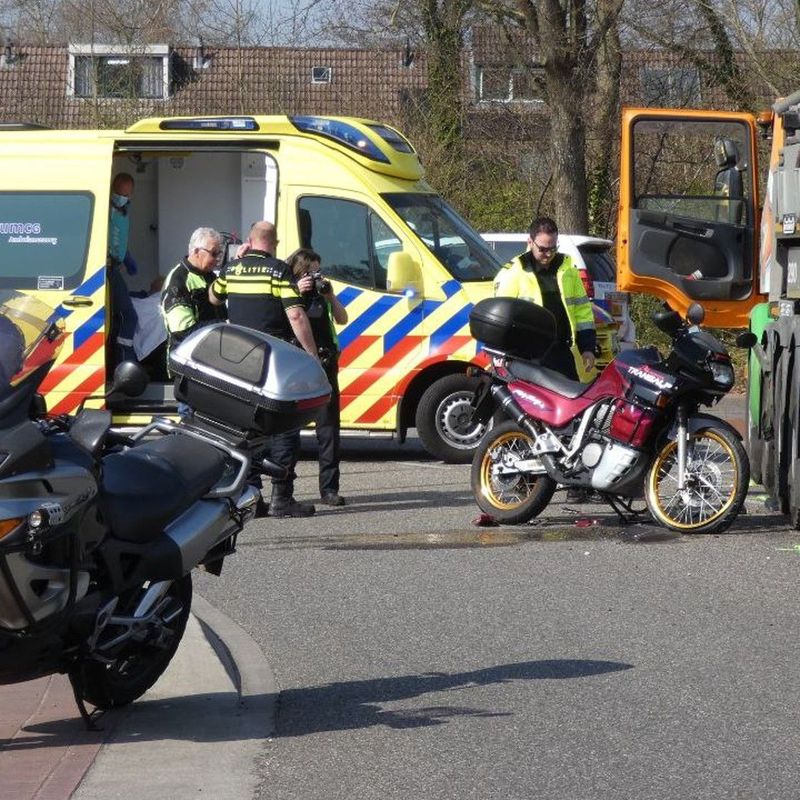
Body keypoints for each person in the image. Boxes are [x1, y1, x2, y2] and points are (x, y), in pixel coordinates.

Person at [209, 221, 319, 518]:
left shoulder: (233, 268)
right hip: (274, 359)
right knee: (284, 427)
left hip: (240, 360)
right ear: (274, 242)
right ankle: (282, 497)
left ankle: (252, 496)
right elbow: (295, 314)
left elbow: (214, 296)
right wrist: (311, 355)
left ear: (249, 240)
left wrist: (235, 260)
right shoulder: (278, 270)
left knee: (249, 427)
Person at [494, 216, 596, 382]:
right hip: (526, 356)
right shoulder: (513, 273)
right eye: (542, 249)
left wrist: (588, 348)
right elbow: (502, 318)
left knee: (571, 399)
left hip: (560, 351)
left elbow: (582, 311)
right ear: (530, 242)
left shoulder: (568, 269)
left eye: (553, 248)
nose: (548, 254)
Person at [287, 248, 349, 507]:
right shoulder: (288, 293)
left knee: (329, 430)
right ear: (300, 272)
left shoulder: (323, 296)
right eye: (311, 271)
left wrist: (331, 296)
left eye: (318, 271)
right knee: (288, 432)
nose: (316, 277)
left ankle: (329, 489)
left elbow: (342, 318)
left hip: (325, 364)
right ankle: (284, 490)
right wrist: (296, 291)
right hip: (298, 366)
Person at [160, 227, 226, 411]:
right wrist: (224, 328)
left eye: (219, 253)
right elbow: (183, 331)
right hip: (189, 368)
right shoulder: (178, 280)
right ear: (197, 252)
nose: (217, 259)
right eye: (214, 253)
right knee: (191, 425)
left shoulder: (208, 275)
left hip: (210, 364)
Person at [107, 172, 139, 362]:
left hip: (115, 265)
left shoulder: (123, 211)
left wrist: (126, 257)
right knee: (129, 316)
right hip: (107, 268)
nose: (123, 197)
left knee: (121, 315)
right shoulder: (106, 210)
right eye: (120, 193)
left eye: (126, 194)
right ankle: (124, 358)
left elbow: (119, 238)